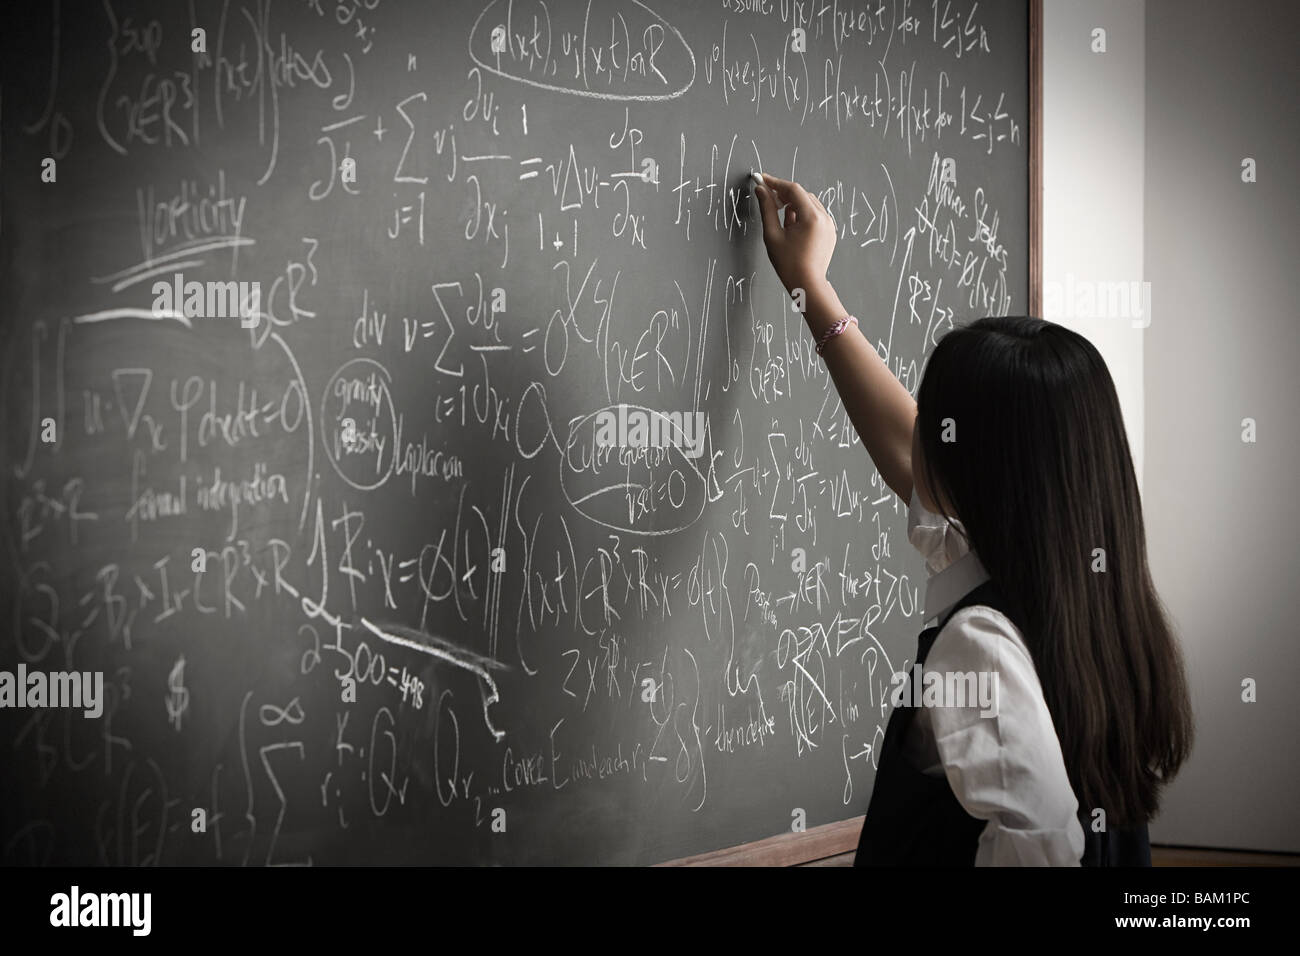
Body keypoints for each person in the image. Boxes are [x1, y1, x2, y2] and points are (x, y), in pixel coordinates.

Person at [750, 172, 1194, 866]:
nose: (925, 433)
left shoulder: (980, 643)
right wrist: (812, 287)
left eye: (943, 427)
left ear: (969, 476)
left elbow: (1039, 845)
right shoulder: (1094, 605)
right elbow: (915, 452)